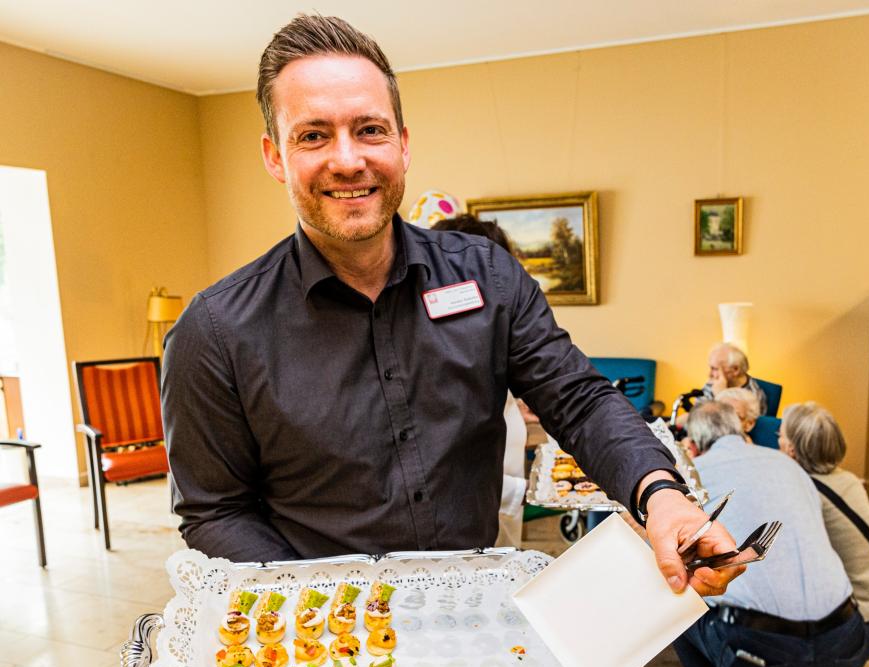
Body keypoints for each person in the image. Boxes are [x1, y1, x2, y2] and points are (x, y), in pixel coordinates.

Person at [161, 14, 739, 599]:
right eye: (313, 135)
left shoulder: (488, 276)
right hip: (329, 637)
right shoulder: (213, 332)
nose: (347, 159)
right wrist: (326, 609)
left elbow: (580, 401)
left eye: (369, 130)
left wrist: (661, 496)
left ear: (403, 144)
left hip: (479, 612)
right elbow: (216, 512)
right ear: (275, 157)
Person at [675, 402, 867, 667]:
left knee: (681, 615)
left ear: (692, 445)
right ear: (742, 430)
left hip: (763, 645)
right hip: (845, 632)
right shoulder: (789, 465)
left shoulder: (694, 473)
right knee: (786, 600)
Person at [779, 402, 869, 667]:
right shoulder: (847, 480)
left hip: (862, 624)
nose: (777, 439)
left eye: (780, 435)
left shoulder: (805, 493)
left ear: (792, 450)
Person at [431, 214, 526, 547]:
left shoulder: (489, 330)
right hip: (464, 535)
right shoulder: (433, 351)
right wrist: (520, 493)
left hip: (503, 522)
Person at [701, 343, 767, 414]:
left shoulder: (753, 395)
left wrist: (721, 395)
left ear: (735, 370)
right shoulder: (713, 383)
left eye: (715, 369)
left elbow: (732, 423)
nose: (709, 375)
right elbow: (697, 417)